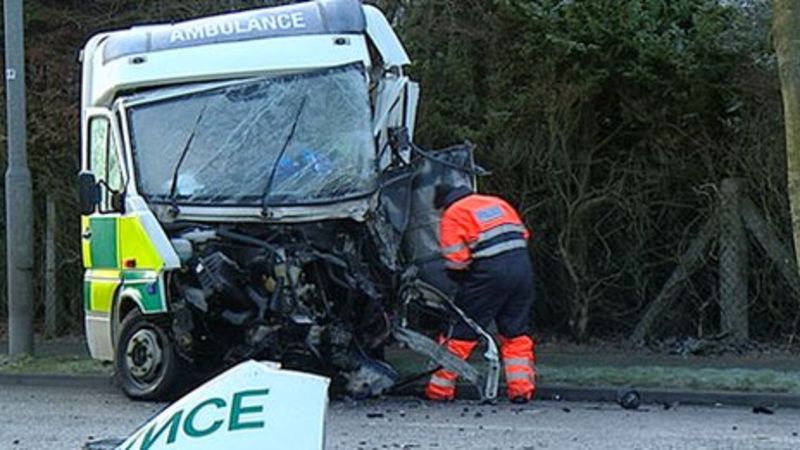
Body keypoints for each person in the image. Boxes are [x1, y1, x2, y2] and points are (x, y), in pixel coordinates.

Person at [425, 183, 537, 403]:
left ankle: (439, 391)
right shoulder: (497, 202)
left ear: (443, 204)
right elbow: (523, 236)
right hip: (523, 270)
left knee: (461, 332)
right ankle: (521, 389)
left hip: (489, 275)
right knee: (515, 332)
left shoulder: (453, 214)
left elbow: (457, 263)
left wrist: (461, 284)